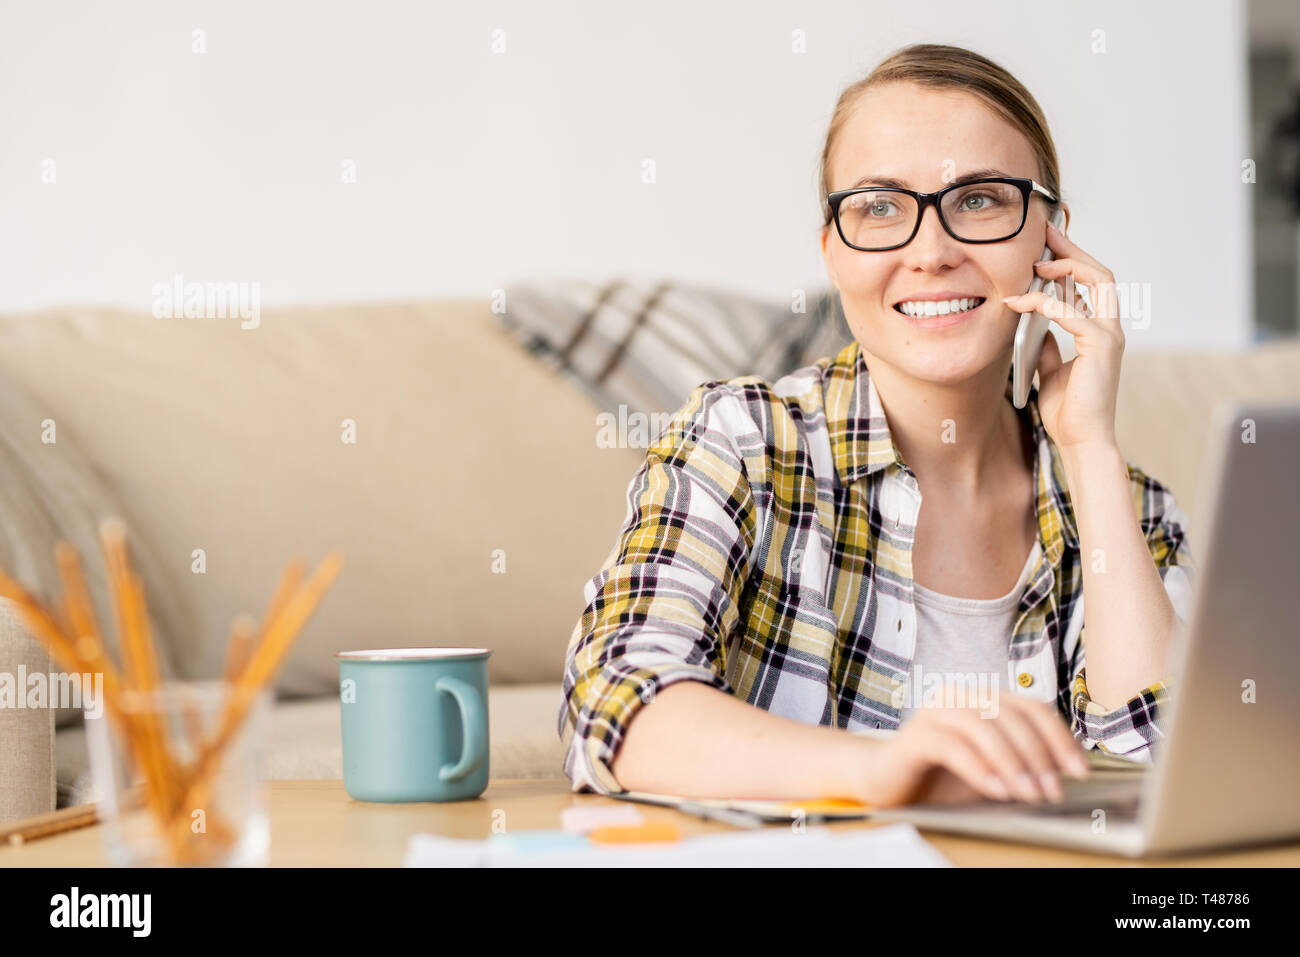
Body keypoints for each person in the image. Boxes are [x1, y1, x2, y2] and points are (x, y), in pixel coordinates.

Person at [557, 43, 1196, 808]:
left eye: (980, 199)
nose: (931, 252)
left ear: (1050, 239)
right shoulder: (743, 440)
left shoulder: (1136, 511)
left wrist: (1090, 448)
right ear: (833, 252)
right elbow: (614, 701)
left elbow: (1166, 773)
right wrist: (881, 771)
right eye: (881, 207)